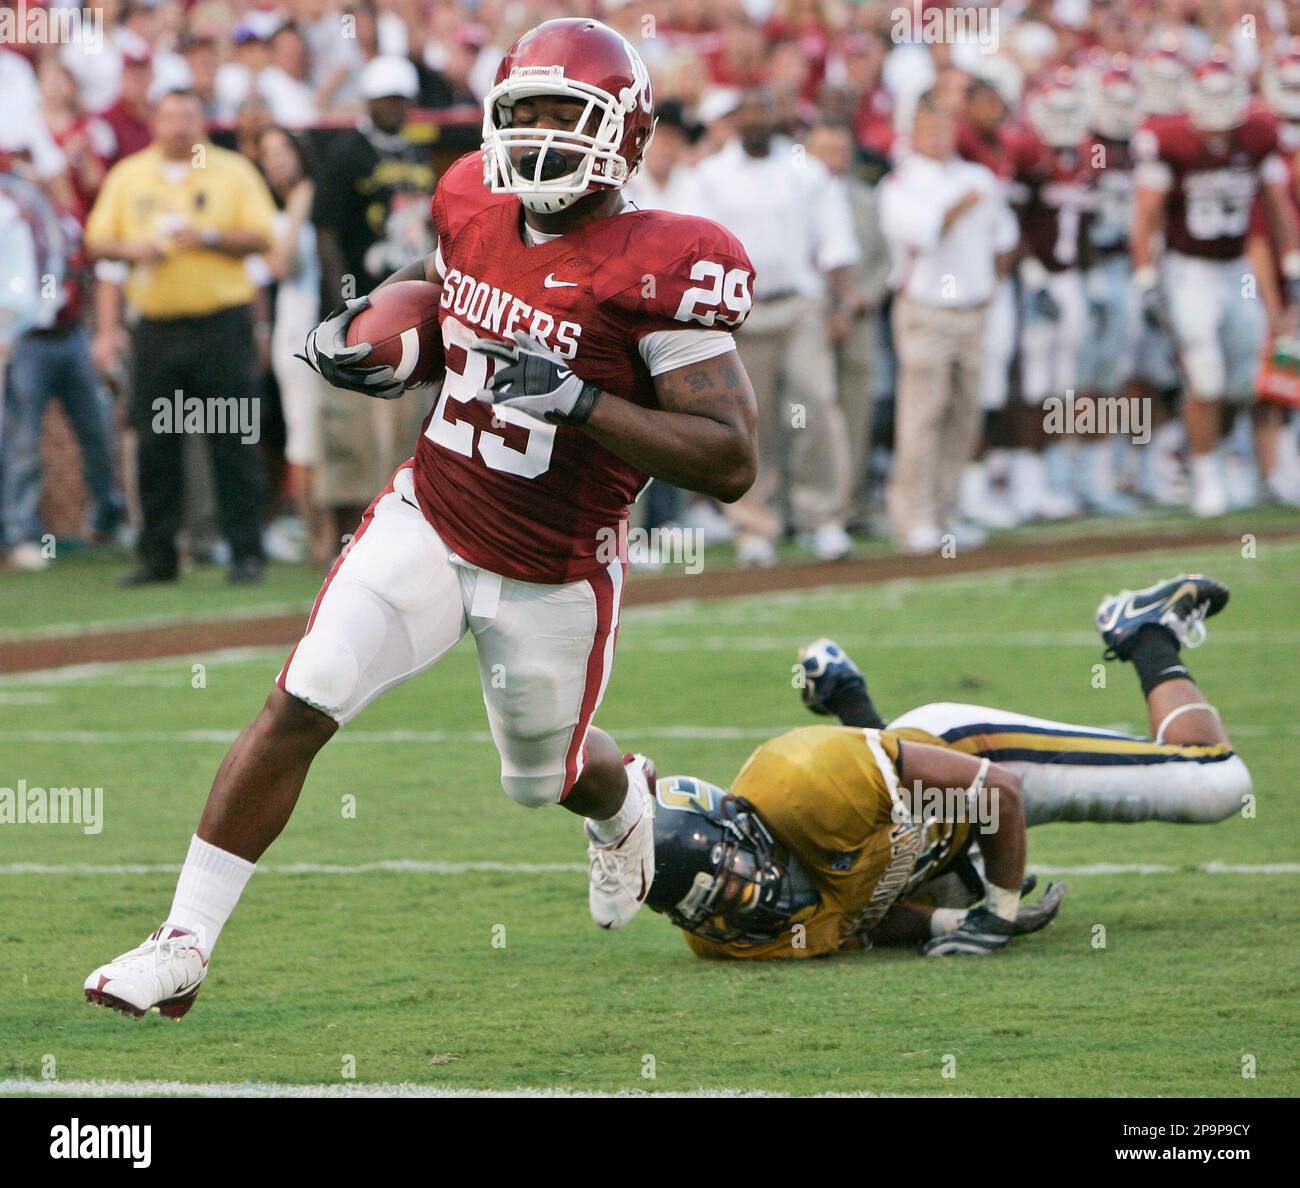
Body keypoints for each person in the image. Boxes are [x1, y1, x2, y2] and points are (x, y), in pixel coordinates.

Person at [83, 18, 759, 1020]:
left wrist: (582, 402)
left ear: (625, 129)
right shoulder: (468, 200)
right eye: (520, 114)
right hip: (432, 517)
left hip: (555, 567)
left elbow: (731, 460)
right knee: (303, 697)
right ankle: (181, 941)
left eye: (561, 116)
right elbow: (445, 297)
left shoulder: (664, 264)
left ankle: (623, 806)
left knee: (547, 777)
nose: (536, 139)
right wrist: (382, 343)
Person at [647, 573, 1247, 959]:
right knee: (945, 869)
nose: (744, 895)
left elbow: (1000, 794)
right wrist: (949, 921)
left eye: (731, 875)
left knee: (1215, 783)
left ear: (741, 824)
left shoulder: (802, 780)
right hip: (915, 834)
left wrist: (999, 913)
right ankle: (845, 695)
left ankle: (1145, 631)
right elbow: (856, 919)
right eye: (718, 899)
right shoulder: (727, 930)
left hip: (971, 763)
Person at [85, 88, 276, 586]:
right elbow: (97, 239)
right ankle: (159, 556)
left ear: (201, 121)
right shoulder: (130, 175)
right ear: (154, 122)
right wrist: (134, 248)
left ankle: (245, 551)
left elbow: (263, 235)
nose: (179, 126)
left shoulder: (232, 170)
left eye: (188, 116)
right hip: (156, 329)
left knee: (233, 436)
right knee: (156, 441)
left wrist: (209, 237)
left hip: (221, 323)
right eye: (169, 116)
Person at [685, 89, 860, 567]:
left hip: (800, 304)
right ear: (738, 119)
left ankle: (821, 518)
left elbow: (834, 242)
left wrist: (841, 301)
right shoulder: (710, 176)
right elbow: (695, 246)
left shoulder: (805, 170)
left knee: (816, 405)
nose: (757, 118)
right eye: (750, 110)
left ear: (778, 115)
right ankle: (753, 525)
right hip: (740, 312)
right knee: (746, 420)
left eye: (765, 108)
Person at [1133, 49, 1300, 516]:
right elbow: (1146, 214)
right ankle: (1206, 475)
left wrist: (1292, 264)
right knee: (1203, 376)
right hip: (1190, 270)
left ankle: (1214, 455)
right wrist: (1146, 275)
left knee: (1248, 381)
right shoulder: (1169, 139)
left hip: (1236, 268)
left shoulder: (1259, 133)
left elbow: (1276, 205)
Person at [878, 90, 1018, 553]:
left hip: (974, 308)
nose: (937, 136)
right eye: (928, 128)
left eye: (943, 127)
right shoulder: (899, 184)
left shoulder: (978, 176)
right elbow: (925, 232)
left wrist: (989, 286)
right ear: (913, 132)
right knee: (922, 415)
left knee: (963, 415)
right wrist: (963, 204)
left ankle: (947, 511)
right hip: (926, 308)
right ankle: (913, 517)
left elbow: (1004, 241)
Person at [310, 54, 437, 545]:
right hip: (364, 304)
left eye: (401, 100)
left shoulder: (412, 154)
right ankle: (345, 538)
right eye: (386, 99)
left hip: (408, 304)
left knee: (407, 427)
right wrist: (345, 302)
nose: (394, 108)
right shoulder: (346, 153)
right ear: (369, 99)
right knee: (351, 432)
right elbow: (325, 232)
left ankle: (399, 531)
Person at [257, 125, 331, 565]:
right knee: (304, 438)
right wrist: (299, 203)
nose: (277, 157)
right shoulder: (268, 213)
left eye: (283, 147)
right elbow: (281, 264)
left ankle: (336, 531)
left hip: (329, 328)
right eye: (268, 151)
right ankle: (317, 536)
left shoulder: (320, 200)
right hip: (295, 332)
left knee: (332, 435)